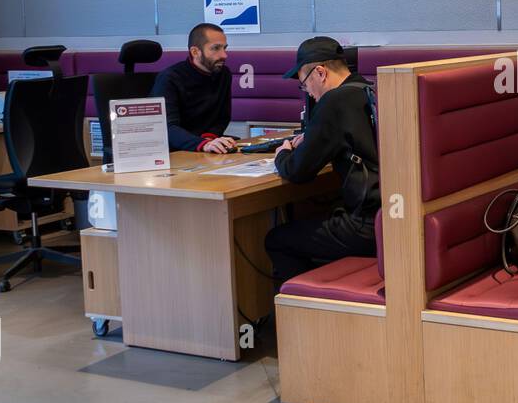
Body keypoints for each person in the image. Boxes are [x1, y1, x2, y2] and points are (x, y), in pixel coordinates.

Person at [264, 37, 381, 283]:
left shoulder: (333, 101)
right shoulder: (366, 90)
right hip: (384, 216)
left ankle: (300, 313)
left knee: (277, 240)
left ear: (320, 72)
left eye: (304, 84)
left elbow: (297, 171)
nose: (308, 93)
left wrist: (283, 153)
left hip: (365, 225)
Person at [151, 22, 235, 153]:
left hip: (206, 146)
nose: (224, 55)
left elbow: (222, 117)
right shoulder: (169, 78)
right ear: (195, 52)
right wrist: (203, 144)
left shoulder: (223, 74)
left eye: (225, 48)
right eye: (216, 48)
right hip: (175, 151)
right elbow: (167, 127)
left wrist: (210, 138)